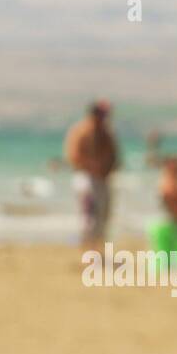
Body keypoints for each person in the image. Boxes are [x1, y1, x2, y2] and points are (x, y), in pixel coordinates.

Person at [63, 100, 120, 247]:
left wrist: (107, 169)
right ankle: (89, 250)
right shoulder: (82, 131)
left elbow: (114, 156)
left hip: (102, 179)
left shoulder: (105, 132)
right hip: (87, 179)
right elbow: (73, 156)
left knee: (103, 216)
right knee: (89, 217)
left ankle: (96, 249)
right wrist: (93, 167)